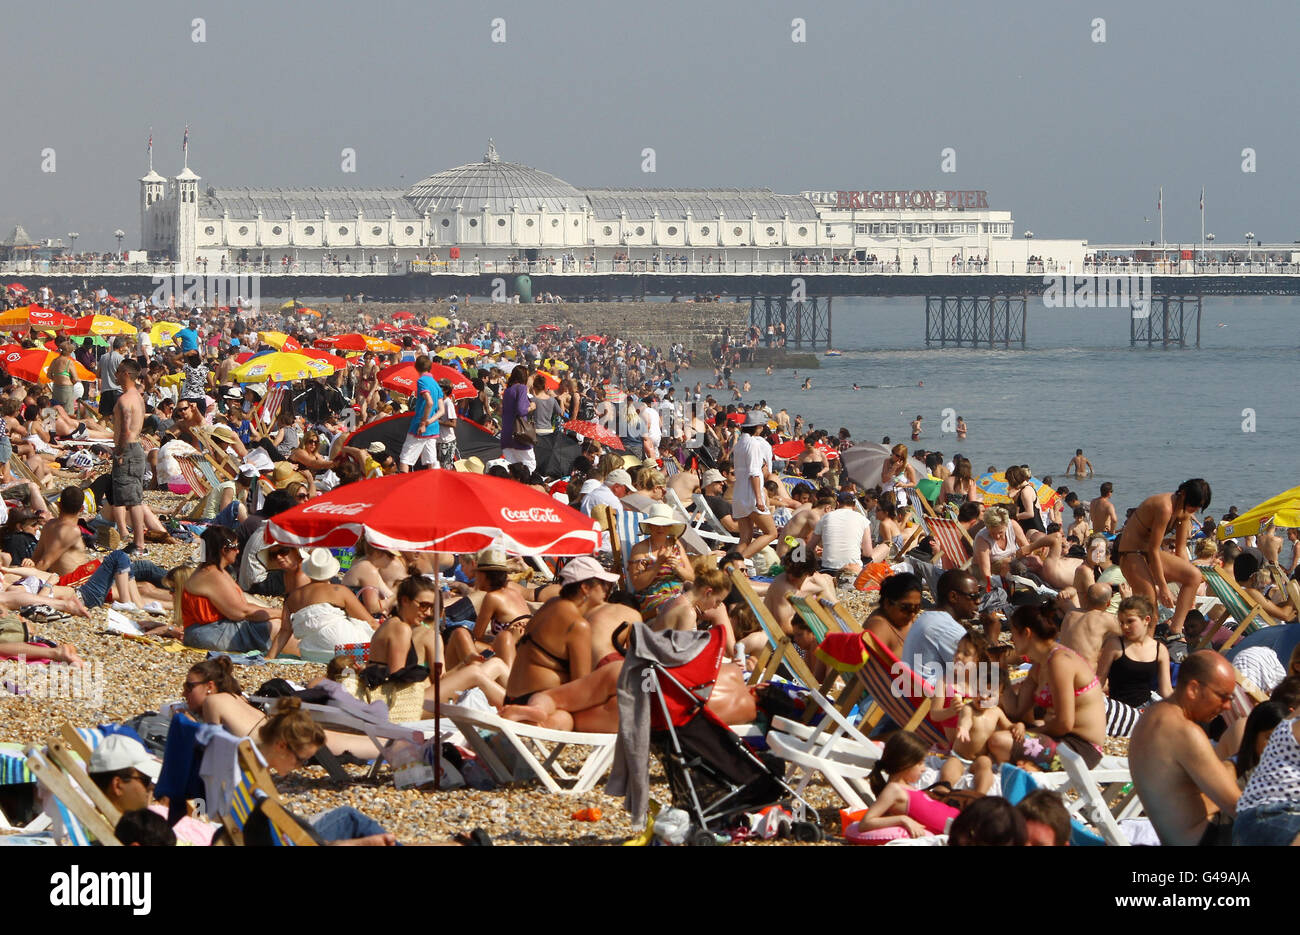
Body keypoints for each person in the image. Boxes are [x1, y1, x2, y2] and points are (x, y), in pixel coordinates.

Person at [1129, 651, 1241, 845]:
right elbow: (1237, 806)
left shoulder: (1152, 714)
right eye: (1223, 697)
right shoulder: (1186, 732)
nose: (1227, 706)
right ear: (1194, 689)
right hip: (1205, 840)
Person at [988, 601, 1107, 770]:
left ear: (1027, 633)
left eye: (1014, 633)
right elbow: (1016, 709)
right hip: (1059, 738)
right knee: (986, 730)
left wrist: (1028, 732)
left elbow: (1064, 723)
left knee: (998, 740)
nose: (1012, 639)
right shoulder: (1039, 666)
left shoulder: (1060, 662)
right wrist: (999, 672)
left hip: (1080, 749)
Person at [501, 556, 617, 710]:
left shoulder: (550, 605)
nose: (606, 589)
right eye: (602, 583)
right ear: (585, 588)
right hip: (537, 703)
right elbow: (580, 685)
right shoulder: (577, 625)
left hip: (513, 698)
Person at [1117, 478, 1211, 636]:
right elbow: (1154, 550)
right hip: (1131, 553)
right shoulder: (1165, 507)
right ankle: (1145, 648)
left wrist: (1188, 591)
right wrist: (1163, 588)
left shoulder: (1184, 513)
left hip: (1148, 552)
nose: (1194, 509)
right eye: (1193, 504)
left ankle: (1175, 631)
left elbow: (1181, 549)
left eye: (1198, 507)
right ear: (1184, 494)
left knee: (1194, 576)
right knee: (1151, 609)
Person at [176, 526, 286, 653]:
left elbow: (241, 608)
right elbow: (240, 612)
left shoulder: (212, 571)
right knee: (274, 627)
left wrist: (274, 613)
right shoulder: (212, 575)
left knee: (274, 623)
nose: (238, 551)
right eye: (235, 547)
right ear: (224, 550)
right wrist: (280, 614)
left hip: (206, 631)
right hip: (207, 633)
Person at [848, 732, 958, 842]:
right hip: (960, 829)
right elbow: (865, 823)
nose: (924, 769)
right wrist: (902, 819)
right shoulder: (894, 789)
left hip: (961, 820)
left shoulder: (908, 787)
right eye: (920, 763)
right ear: (905, 763)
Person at [271, 548, 377, 659]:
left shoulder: (292, 597)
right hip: (344, 650)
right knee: (369, 633)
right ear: (331, 571)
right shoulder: (338, 590)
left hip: (312, 654)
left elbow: (285, 630)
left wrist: (270, 656)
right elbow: (369, 622)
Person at [1096, 595, 1173, 737]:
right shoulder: (1115, 645)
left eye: (1130, 621)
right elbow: (1098, 682)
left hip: (1144, 709)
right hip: (1116, 709)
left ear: (1146, 620)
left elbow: (1166, 690)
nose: (1125, 627)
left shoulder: (1159, 649)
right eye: (1121, 622)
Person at [110, 358, 148, 554]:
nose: (115, 375)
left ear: (126, 374)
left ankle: (139, 544)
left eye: (118, 371)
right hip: (136, 448)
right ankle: (138, 542)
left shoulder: (124, 400)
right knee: (135, 496)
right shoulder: (137, 397)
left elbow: (125, 430)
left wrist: (119, 451)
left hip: (128, 449)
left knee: (132, 499)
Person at [731, 411, 776, 558]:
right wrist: (759, 498)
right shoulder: (753, 444)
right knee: (771, 533)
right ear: (758, 427)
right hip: (750, 495)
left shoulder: (739, 445)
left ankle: (730, 567)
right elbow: (754, 473)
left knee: (745, 538)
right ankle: (740, 561)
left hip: (738, 495)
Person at [809, 491, 872, 577]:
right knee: (884, 547)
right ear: (854, 507)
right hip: (853, 570)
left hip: (828, 569)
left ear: (838, 504)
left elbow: (810, 547)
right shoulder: (863, 520)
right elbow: (868, 553)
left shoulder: (826, 517)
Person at [862, 572, 923, 658]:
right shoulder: (879, 627)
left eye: (917, 607)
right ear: (887, 603)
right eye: (905, 607)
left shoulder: (908, 618)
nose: (912, 614)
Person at [399, 355, 442, 472]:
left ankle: (403, 488)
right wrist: (429, 422)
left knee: (405, 459)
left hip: (419, 426)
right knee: (431, 462)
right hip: (433, 428)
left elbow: (429, 402)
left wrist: (423, 423)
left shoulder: (422, 381)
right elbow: (441, 410)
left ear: (416, 367)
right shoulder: (436, 384)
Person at [500, 365, 536, 473]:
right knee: (529, 466)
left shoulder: (508, 390)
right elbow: (521, 410)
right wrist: (531, 407)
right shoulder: (521, 388)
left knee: (512, 469)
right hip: (519, 434)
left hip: (506, 433)